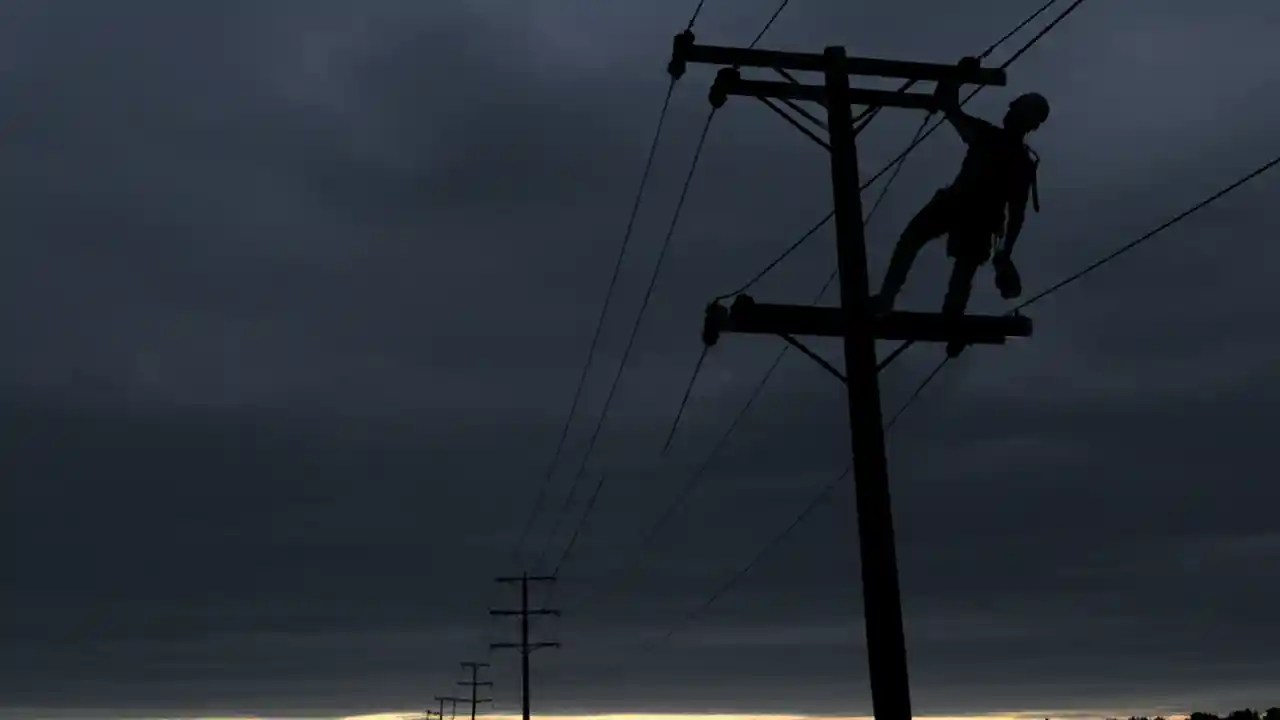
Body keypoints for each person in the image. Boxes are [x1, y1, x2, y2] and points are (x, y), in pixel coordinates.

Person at [872, 57, 1049, 357]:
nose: (1009, 110)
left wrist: (959, 76)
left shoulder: (1000, 146)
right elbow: (950, 106)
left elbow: (950, 107)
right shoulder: (1010, 152)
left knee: (928, 249)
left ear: (1025, 118)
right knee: (948, 261)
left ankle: (922, 311)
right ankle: (941, 318)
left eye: (1016, 107)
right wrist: (958, 77)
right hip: (971, 212)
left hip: (968, 211)